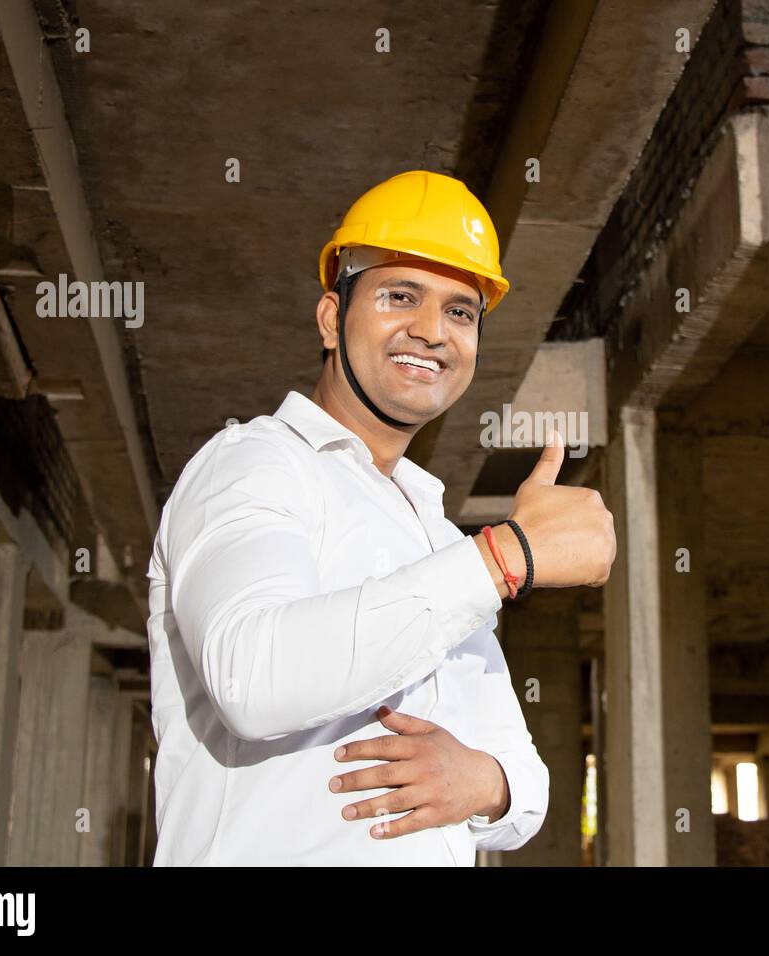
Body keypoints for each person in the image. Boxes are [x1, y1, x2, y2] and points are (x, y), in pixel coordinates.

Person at [146, 169, 617, 865]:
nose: (431, 332)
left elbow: (525, 784)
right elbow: (254, 679)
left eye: (460, 312)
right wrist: (504, 557)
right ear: (333, 319)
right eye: (401, 297)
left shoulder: (429, 530)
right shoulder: (253, 464)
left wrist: (484, 781)